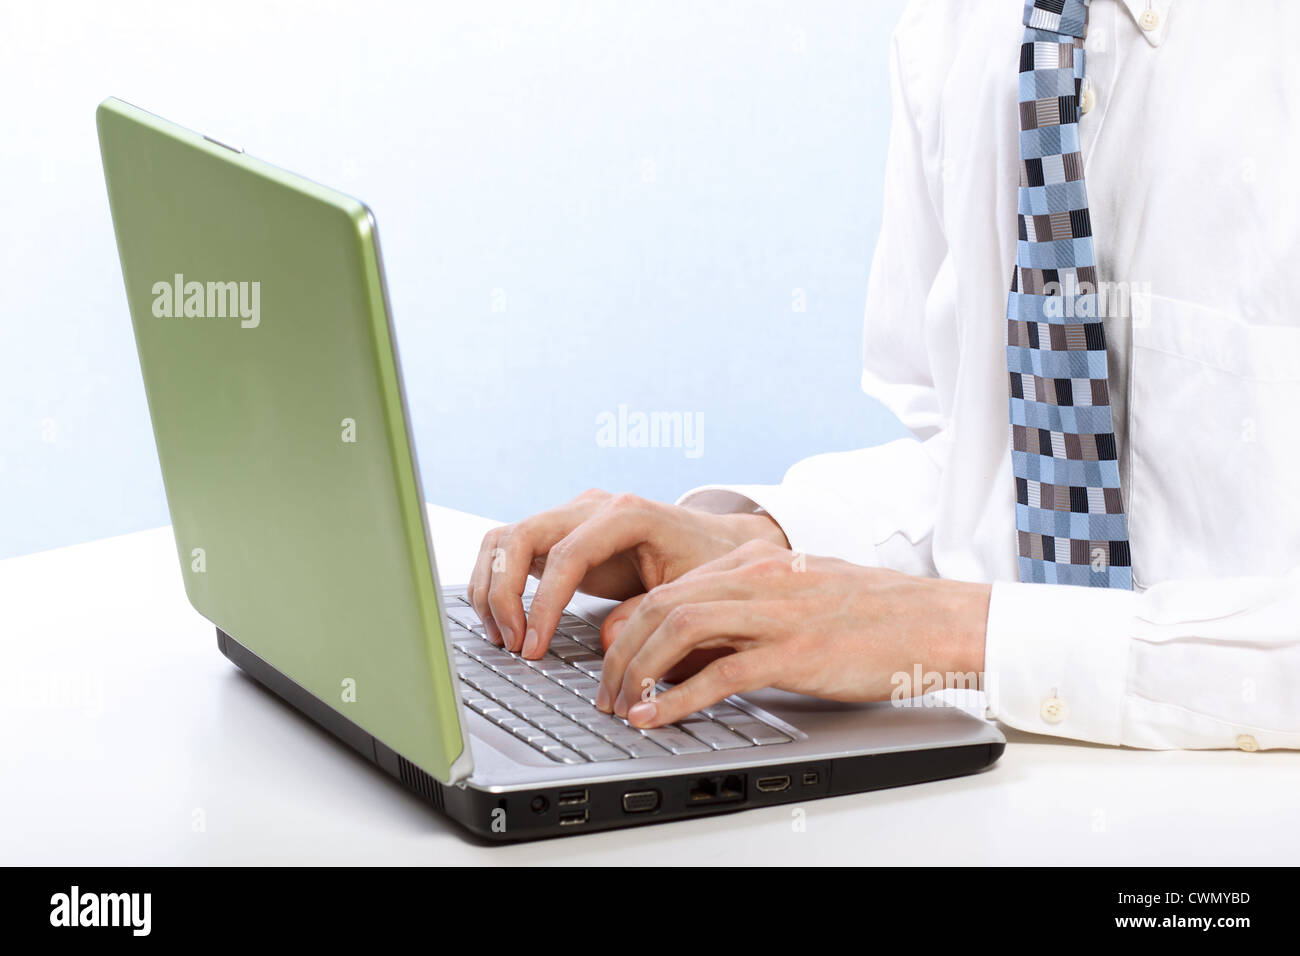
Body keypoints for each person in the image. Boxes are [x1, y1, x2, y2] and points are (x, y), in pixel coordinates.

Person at [468, 0, 1300, 751]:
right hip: (1005, 797)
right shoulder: (955, 30)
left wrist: (959, 635)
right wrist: (771, 549)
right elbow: (989, 457)